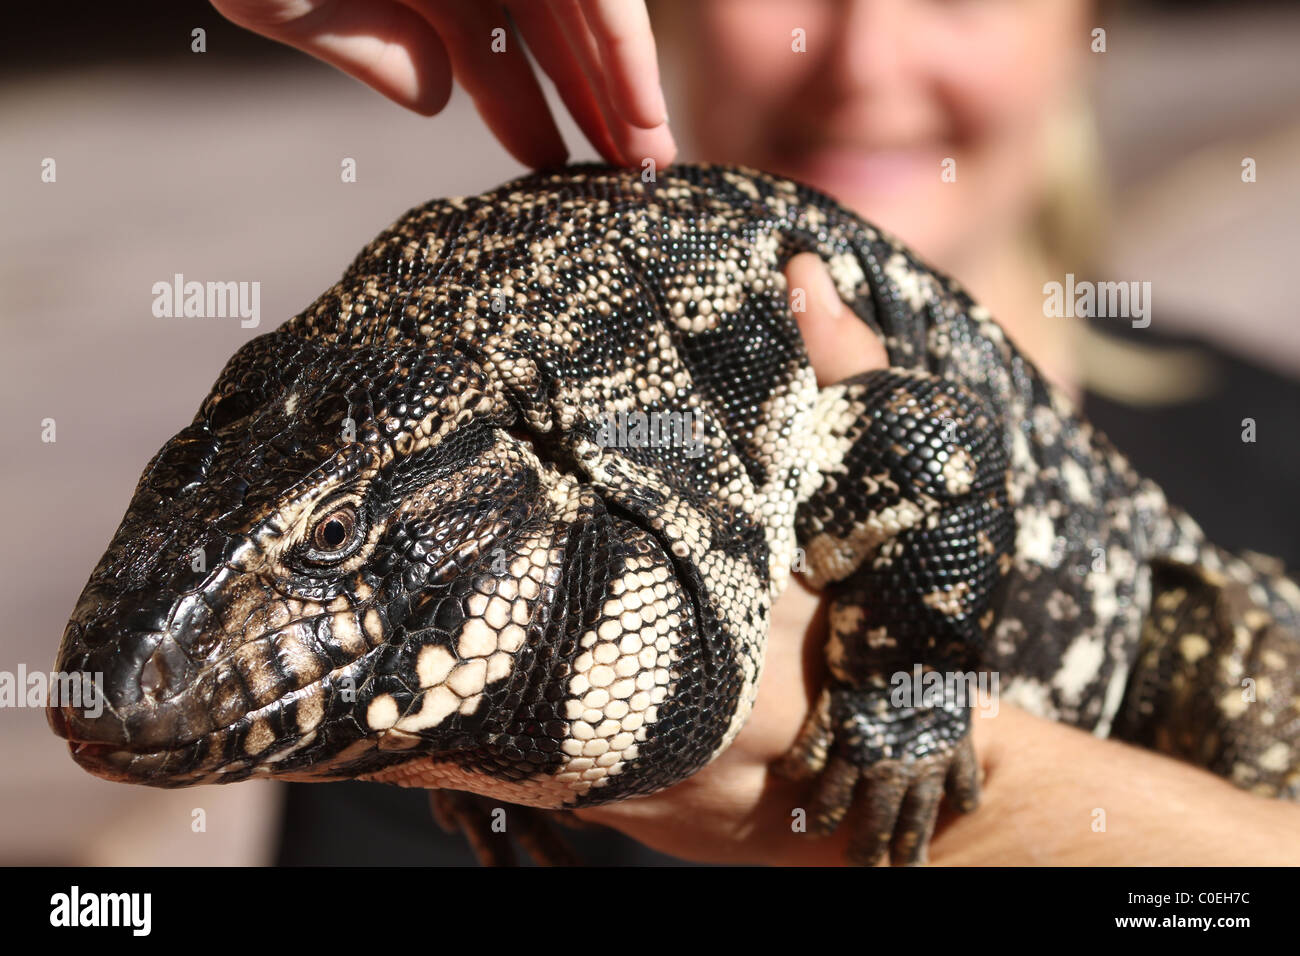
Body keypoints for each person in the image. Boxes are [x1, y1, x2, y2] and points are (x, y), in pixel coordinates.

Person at [215, 0, 1300, 865]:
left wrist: (900, 728)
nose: (861, 59)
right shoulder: (530, 546)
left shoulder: (1273, 458)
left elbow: (936, 448)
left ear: (1084, 27)